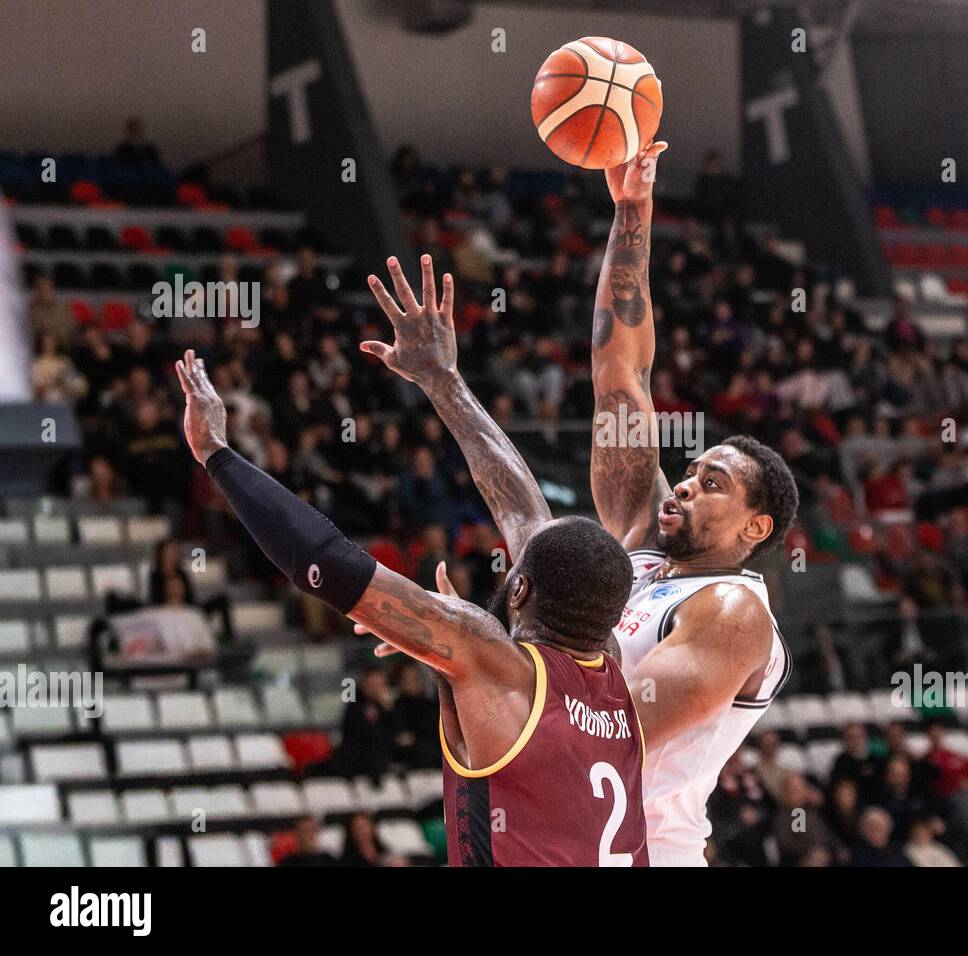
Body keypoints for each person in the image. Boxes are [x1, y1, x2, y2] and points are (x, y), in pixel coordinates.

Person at [174, 312, 647, 867]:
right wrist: (443, 381)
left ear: (518, 592)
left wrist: (218, 455)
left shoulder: (494, 658)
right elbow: (524, 513)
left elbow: (324, 565)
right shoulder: (610, 669)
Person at [587, 143, 799, 866]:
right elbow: (621, 373)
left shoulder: (732, 612)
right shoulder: (642, 544)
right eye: (689, 471)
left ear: (755, 526)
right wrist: (632, 209)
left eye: (713, 484)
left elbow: (606, 730)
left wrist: (473, 658)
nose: (683, 484)